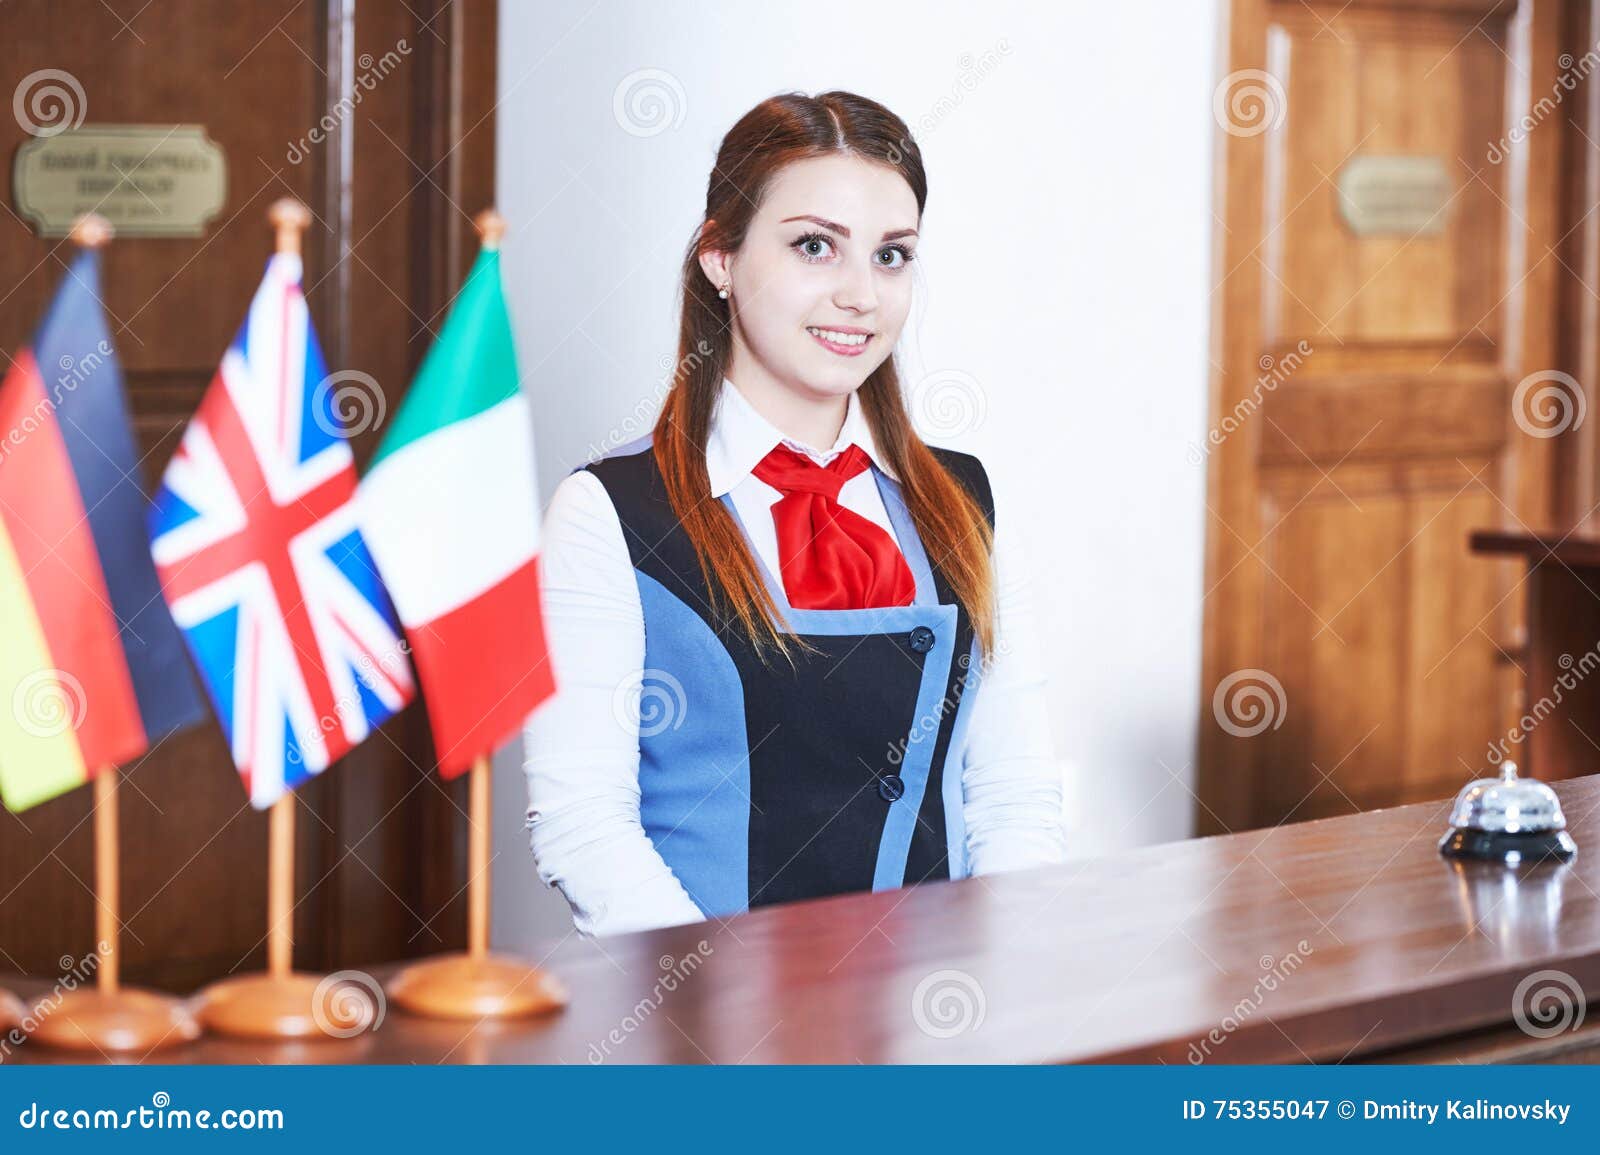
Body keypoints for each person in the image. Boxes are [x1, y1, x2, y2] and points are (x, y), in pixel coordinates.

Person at [523, 90, 1065, 937]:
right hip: (708, 1037)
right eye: (816, 246)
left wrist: (992, 996)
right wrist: (729, 1021)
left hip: (936, 1024)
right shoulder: (606, 513)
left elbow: (1015, 794)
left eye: (892, 256)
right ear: (720, 259)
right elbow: (583, 828)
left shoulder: (966, 504)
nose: (861, 294)